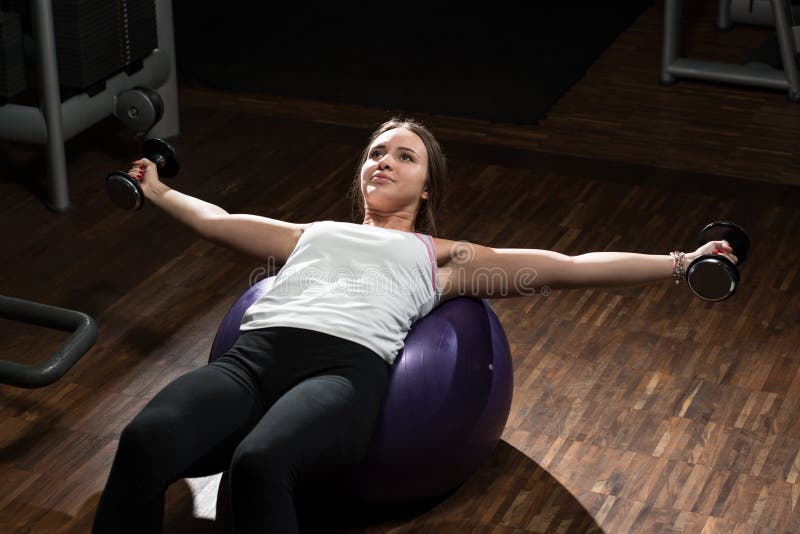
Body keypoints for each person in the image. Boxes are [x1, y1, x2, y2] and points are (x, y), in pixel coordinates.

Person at [92, 117, 737, 533]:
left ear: (427, 188)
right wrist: (158, 190)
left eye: (405, 157)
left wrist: (682, 263)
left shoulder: (441, 257)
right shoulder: (308, 234)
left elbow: (568, 266)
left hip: (342, 375)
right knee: (146, 437)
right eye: (376, 153)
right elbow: (215, 219)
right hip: (251, 360)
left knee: (261, 463)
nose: (384, 162)